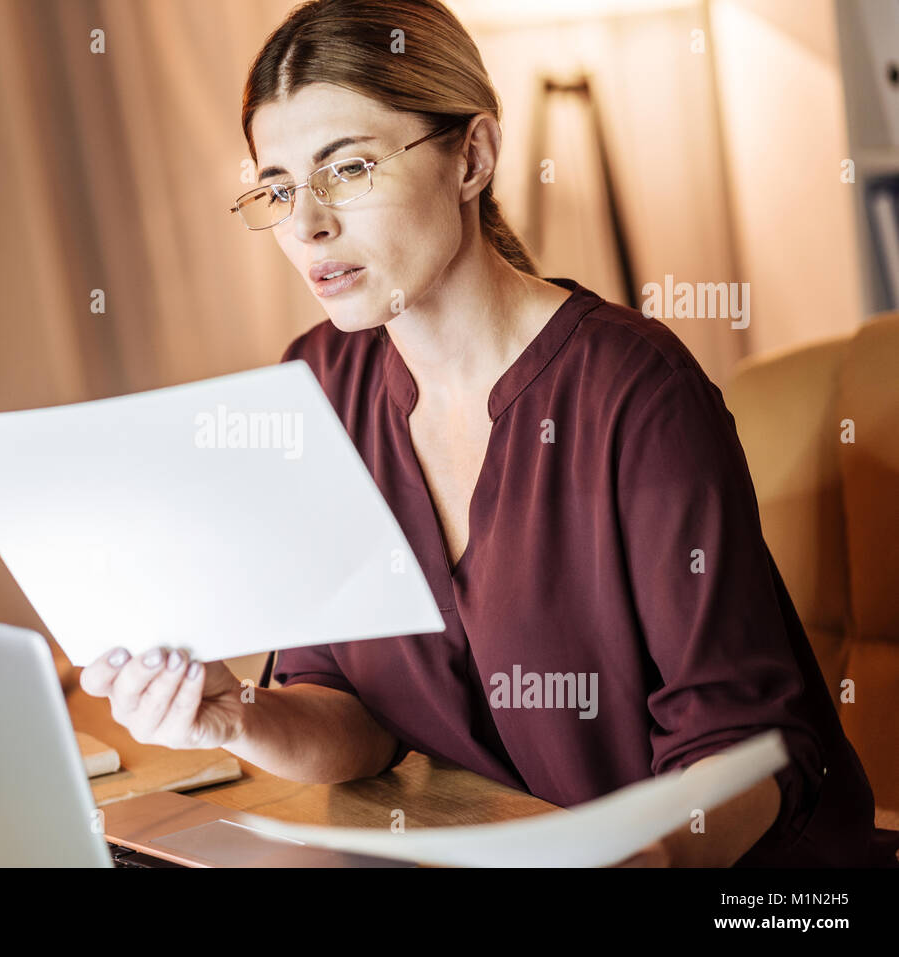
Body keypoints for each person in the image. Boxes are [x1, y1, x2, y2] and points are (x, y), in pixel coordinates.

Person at [80, 0, 899, 867]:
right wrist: (231, 713)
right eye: (278, 186)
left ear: (471, 156)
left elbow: (744, 750)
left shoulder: (636, 391)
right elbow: (352, 712)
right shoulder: (320, 384)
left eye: (348, 169)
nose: (306, 224)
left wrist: (646, 859)